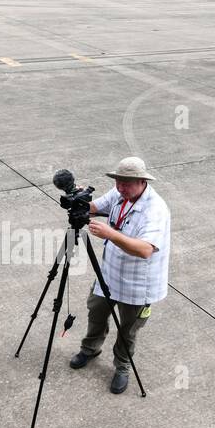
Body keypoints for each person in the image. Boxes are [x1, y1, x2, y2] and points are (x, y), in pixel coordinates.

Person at [70, 157, 172, 395]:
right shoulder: (121, 193)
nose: (120, 188)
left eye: (126, 183)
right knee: (96, 311)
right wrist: (80, 200)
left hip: (138, 282)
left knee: (128, 328)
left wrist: (110, 233)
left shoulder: (155, 209)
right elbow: (96, 207)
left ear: (141, 182)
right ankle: (90, 348)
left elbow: (145, 249)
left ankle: (122, 366)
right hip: (110, 272)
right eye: (118, 182)